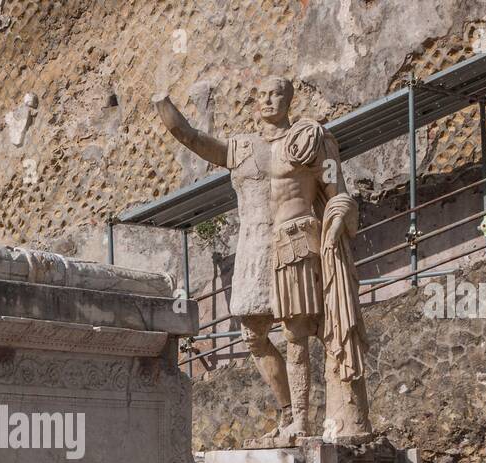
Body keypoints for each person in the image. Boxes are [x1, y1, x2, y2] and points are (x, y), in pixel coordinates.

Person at [155, 76, 371, 439]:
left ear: (289, 100)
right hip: (253, 248)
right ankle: (288, 412)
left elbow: (338, 192)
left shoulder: (310, 142)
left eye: (276, 94)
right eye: (262, 95)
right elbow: (191, 137)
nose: (268, 100)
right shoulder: (240, 147)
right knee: (252, 336)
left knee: (295, 334)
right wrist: (163, 105)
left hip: (295, 242)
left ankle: (302, 422)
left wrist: (335, 223)